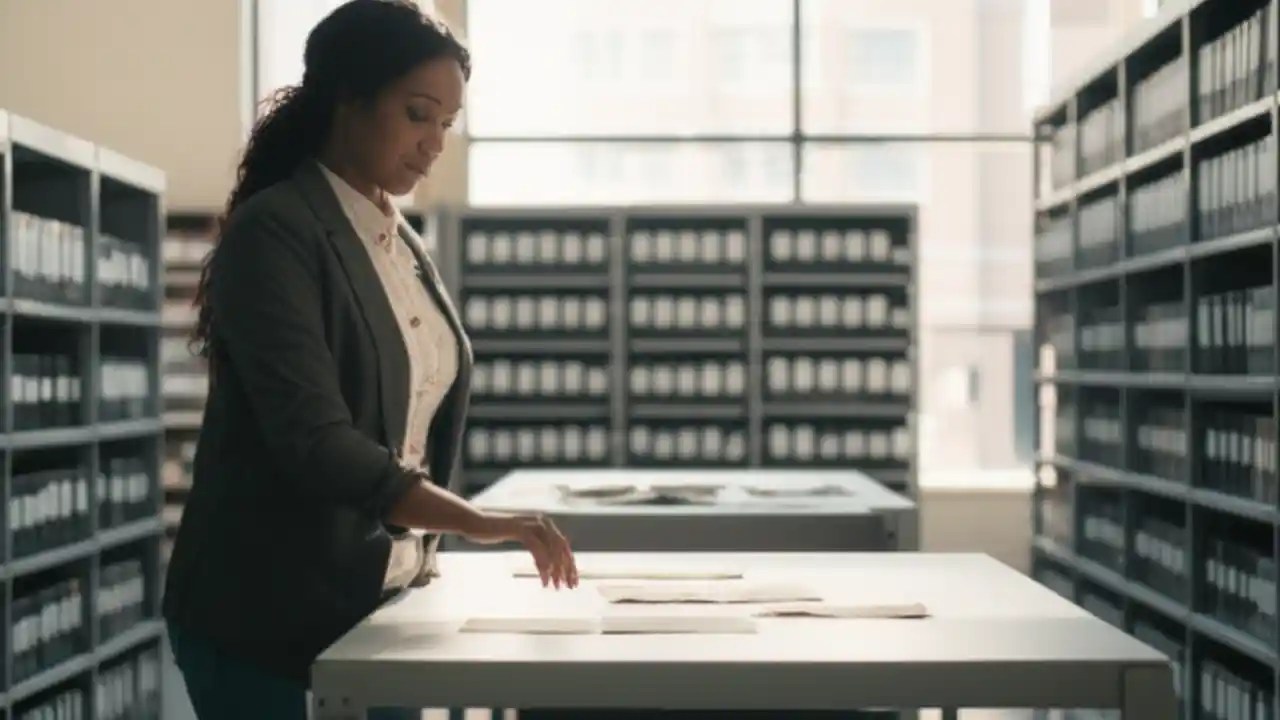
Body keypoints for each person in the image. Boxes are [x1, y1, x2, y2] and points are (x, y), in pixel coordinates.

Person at [162, 1, 579, 717]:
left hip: (377, 602)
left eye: (447, 124)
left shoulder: (398, 239)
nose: (435, 143)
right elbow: (317, 442)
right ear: (347, 98)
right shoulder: (278, 230)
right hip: (266, 610)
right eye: (418, 114)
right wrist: (475, 520)